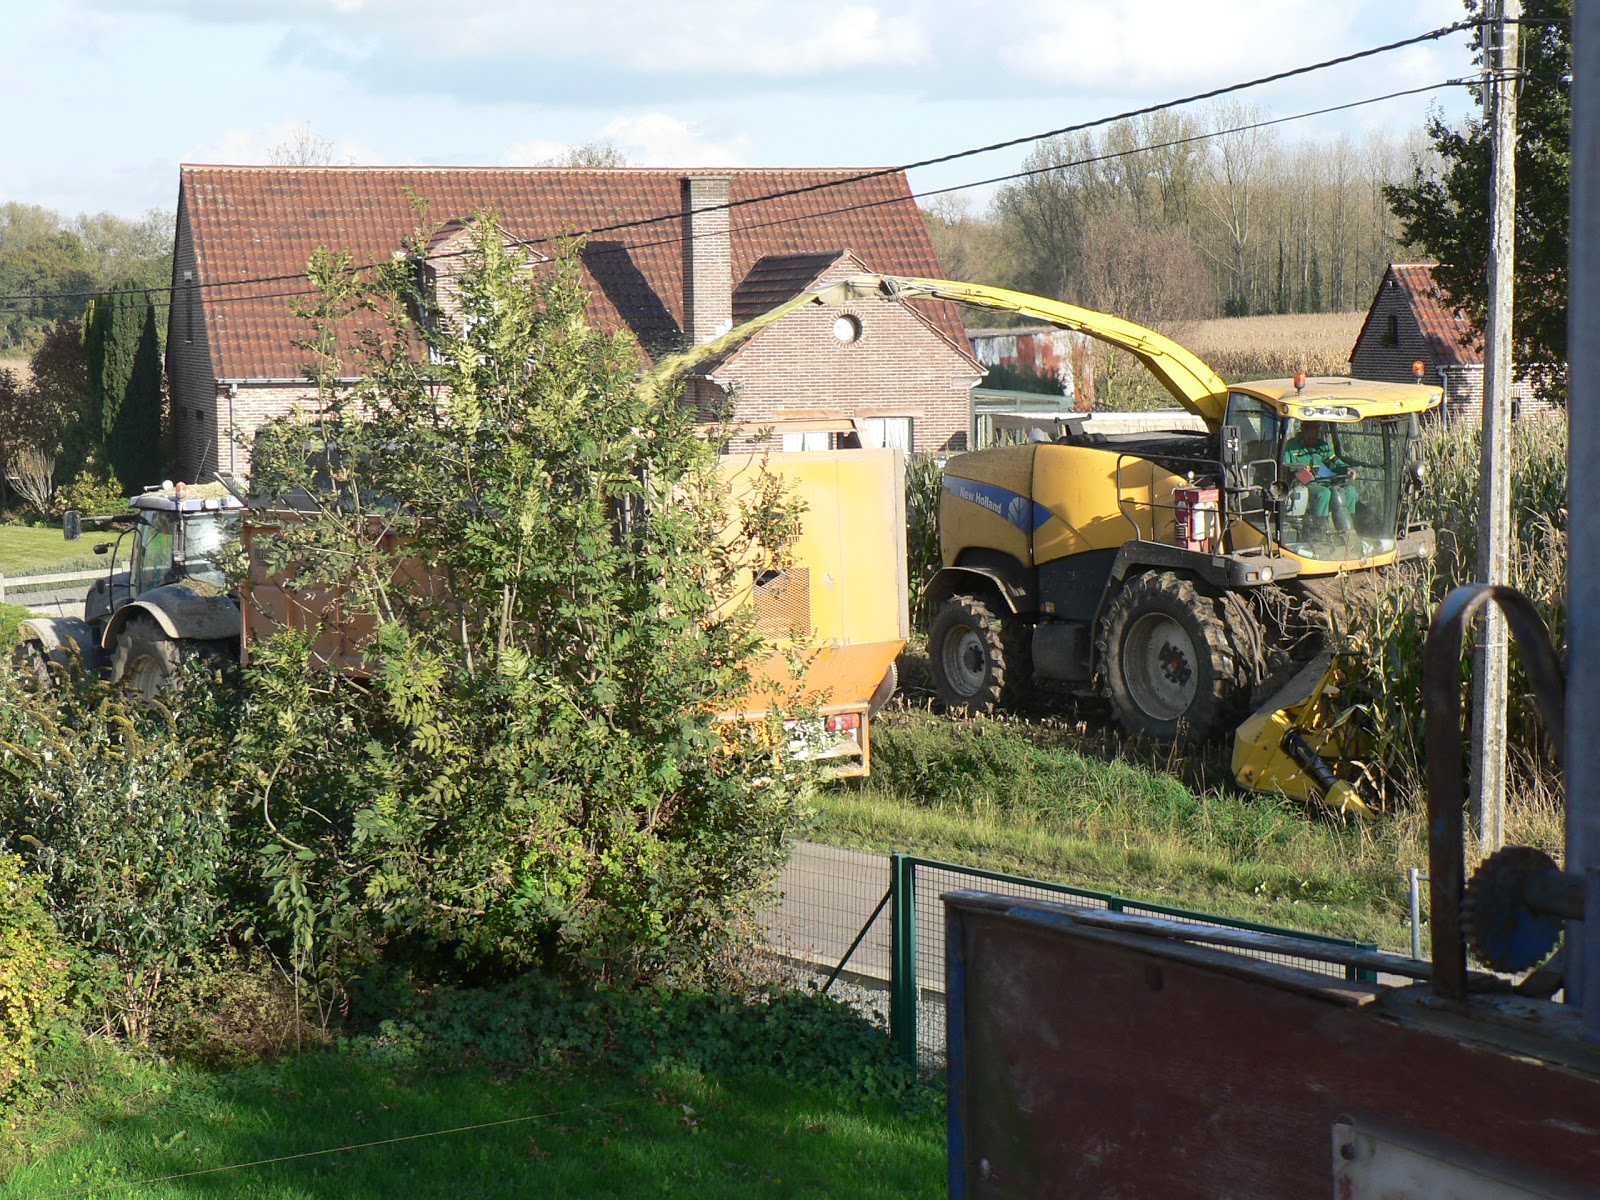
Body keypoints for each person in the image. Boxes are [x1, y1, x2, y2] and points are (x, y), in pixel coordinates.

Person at [1283, 420, 1358, 524]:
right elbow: (1286, 468)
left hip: (1320, 482)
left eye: (1316, 431)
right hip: (1301, 484)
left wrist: (1347, 469)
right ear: (1303, 429)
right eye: (1310, 438)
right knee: (1323, 492)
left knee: (1349, 490)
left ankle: (1348, 529)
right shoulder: (1290, 446)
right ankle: (1319, 529)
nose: (1313, 440)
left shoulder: (1322, 446)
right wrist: (1305, 476)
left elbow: (1334, 462)